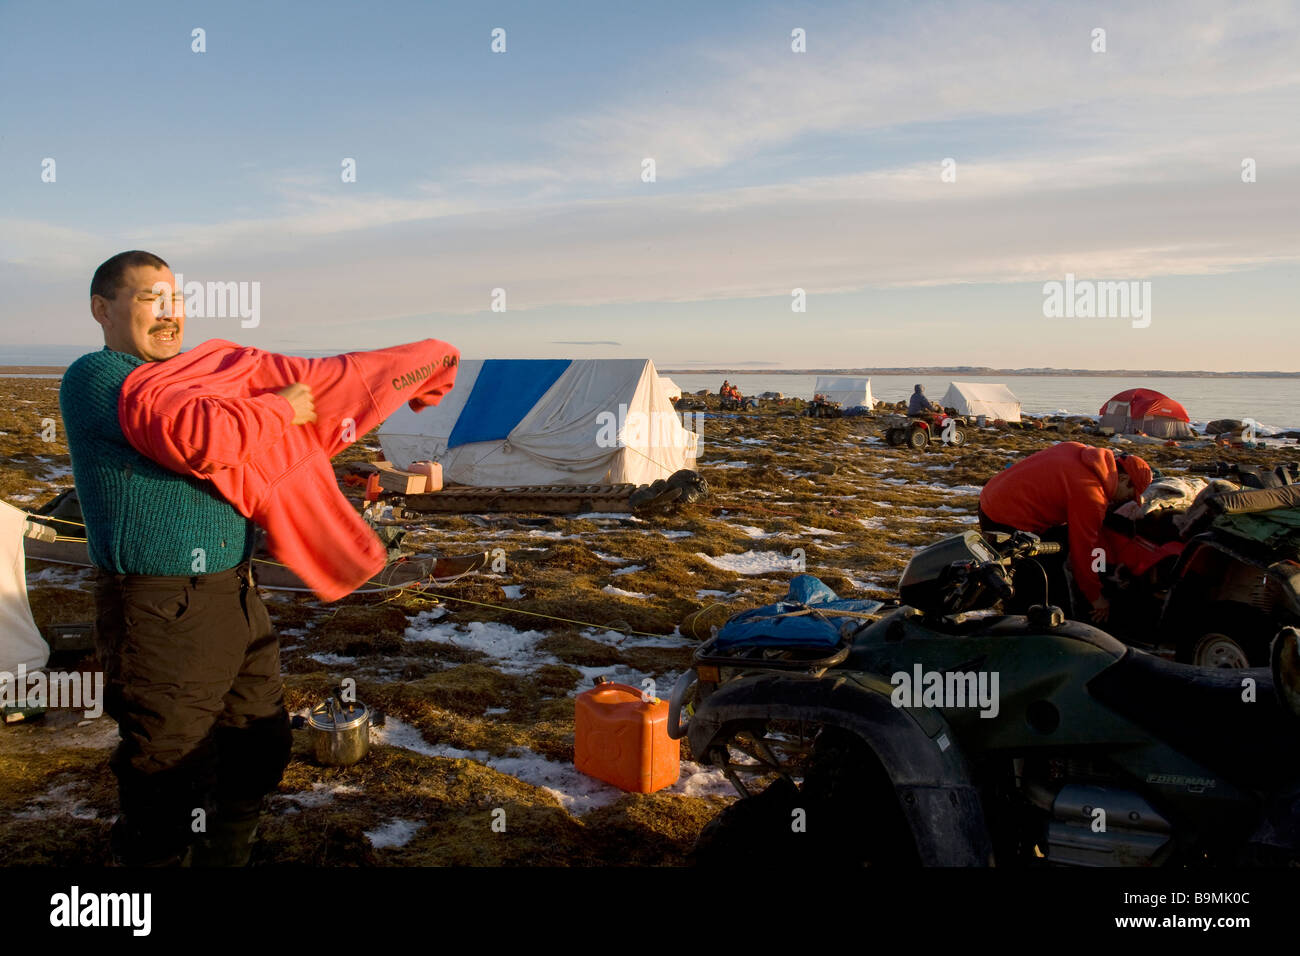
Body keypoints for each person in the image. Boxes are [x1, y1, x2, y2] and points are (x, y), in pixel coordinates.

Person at [61, 251, 317, 866]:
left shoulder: (192, 382)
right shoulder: (99, 377)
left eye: (176, 299)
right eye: (151, 298)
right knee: (168, 769)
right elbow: (201, 437)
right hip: (160, 602)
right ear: (103, 309)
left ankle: (228, 853)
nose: (171, 313)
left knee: (258, 744)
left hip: (233, 589)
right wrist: (281, 409)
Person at [977, 442, 1152, 623]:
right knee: (1032, 582)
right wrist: (1096, 598)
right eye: (1131, 494)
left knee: (1052, 557)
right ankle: (1018, 630)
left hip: (993, 494)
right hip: (1005, 517)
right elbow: (1083, 552)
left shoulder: (1081, 451)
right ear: (1123, 479)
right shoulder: (1091, 494)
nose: (1127, 500)